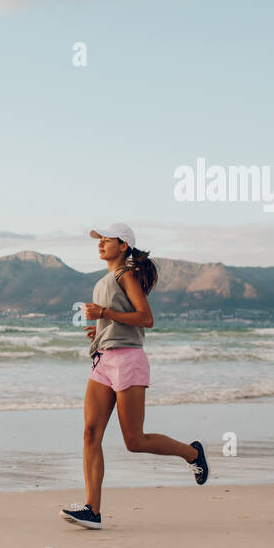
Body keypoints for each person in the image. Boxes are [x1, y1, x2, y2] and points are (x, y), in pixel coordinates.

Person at [61, 224, 208, 529]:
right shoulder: (102, 281)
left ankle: (192, 453)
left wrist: (104, 315)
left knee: (134, 440)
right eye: (98, 239)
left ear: (124, 245)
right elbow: (115, 319)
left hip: (129, 360)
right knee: (90, 433)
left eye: (107, 239)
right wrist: (100, 330)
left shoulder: (126, 275)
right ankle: (93, 510)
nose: (100, 243)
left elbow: (146, 318)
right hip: (102, 360)